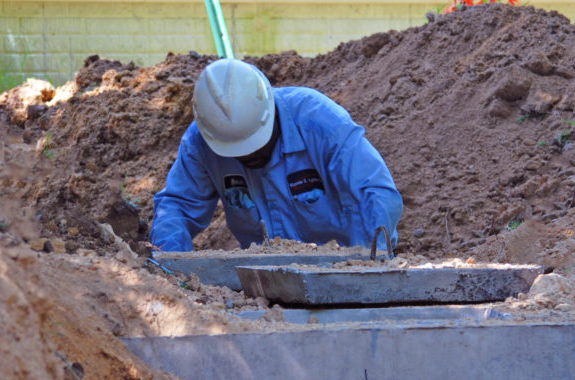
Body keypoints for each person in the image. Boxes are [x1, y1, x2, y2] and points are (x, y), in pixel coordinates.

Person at [149, 58, 403, 252]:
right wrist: (172, 271)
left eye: (255, 144)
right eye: (237, 151)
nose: (249, 155)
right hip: (265, 285)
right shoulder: (201, 141)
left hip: (342, 271)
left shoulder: (321, 122)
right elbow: (176, 208)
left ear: (269, 111)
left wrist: (365, 264)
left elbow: (377, 193)